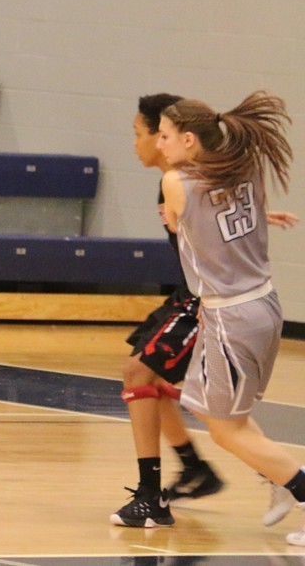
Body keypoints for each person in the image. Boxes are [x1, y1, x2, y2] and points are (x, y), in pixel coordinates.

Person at [155, 92, 303, 540]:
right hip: (261, 303)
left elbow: (178, 226)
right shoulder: (246, 167)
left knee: (224, 431)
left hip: (231, 316)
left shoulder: (176, 181)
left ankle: (297, 483)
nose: (159, 145)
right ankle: (279, 478)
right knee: (214, 412)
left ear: (187, 139)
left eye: (164, 136)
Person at [111, 93, 222, 527]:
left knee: (141, 374)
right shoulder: (176, 179)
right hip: (188, 293)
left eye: (140, 134)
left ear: (164, 137)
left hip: (206, 298)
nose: (136, 143)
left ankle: (151, 496)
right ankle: (191, 467)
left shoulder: (183, 179)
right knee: (147, 372)